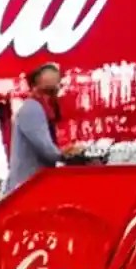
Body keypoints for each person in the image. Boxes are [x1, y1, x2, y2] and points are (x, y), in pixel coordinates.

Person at [7, 62, 82, 194]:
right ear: (34, 88)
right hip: (27, 188)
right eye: (47, 91)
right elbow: (47, 151)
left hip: (30, 186)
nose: (50, 96)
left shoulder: (39, 109)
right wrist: (68, 154)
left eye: (54, 91)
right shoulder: (33, 109)